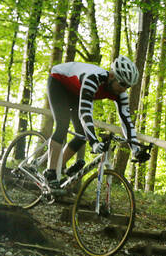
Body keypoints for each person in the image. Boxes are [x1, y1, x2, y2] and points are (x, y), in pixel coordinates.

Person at [44, 55, 147, 184]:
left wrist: (136, 150)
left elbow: (126, 121)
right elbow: (85, 112)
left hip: (76, 91)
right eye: (122, 84)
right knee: (62, 125)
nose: (124, 89)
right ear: (111, 76)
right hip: (59, 82)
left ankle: (60, 168)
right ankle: (50, 172)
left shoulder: (121, 94)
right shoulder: (93, 79)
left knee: (82, 135)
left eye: (128, 86)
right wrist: (94, 142)